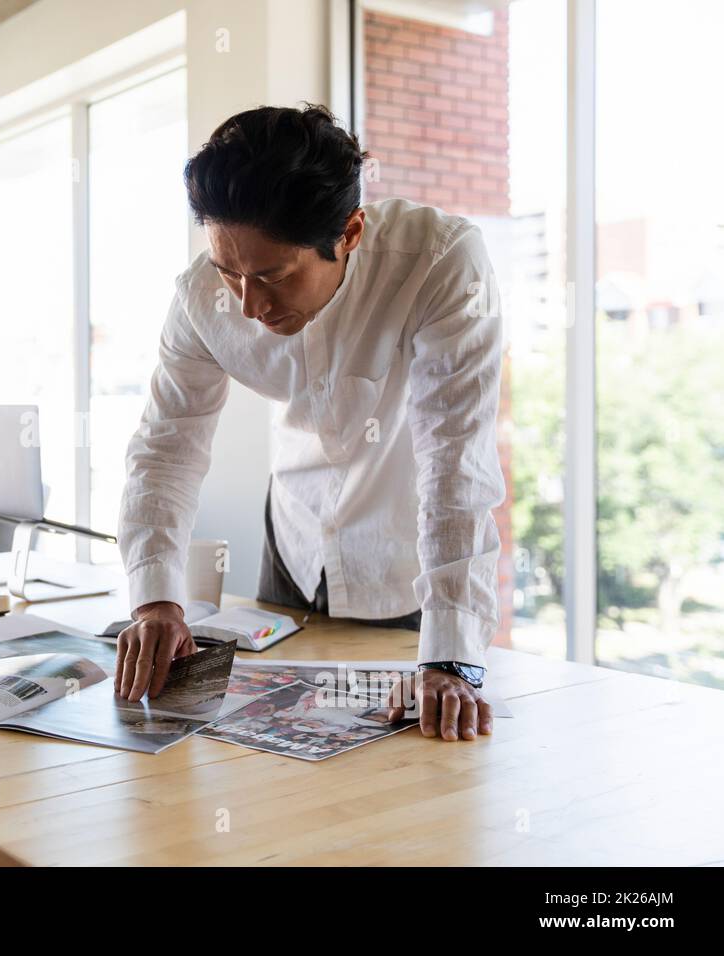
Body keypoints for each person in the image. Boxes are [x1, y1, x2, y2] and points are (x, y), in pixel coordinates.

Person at [115, 105, 503, 744]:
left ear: (349, 232)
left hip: (409, 560)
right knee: (277, 757)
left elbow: (455, 459)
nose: (248, 304)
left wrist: (451, 657)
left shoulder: (439, 262)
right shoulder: (198, 297)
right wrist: (157, 596)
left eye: (271, 276)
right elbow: (166, 446)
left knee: (410, 774)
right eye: (229, 271)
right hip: (291, 544)